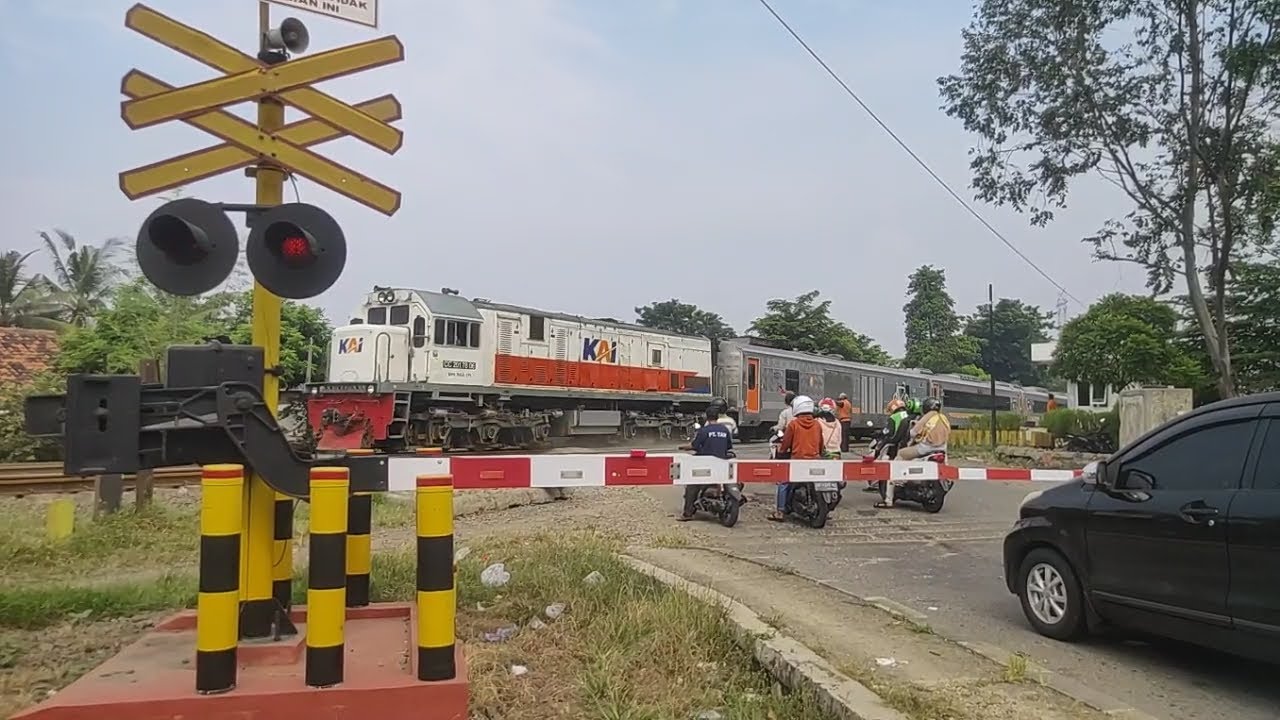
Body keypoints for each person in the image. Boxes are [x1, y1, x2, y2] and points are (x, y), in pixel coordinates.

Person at [769, 395, 824, 521]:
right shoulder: (817, 425)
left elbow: (786, 444)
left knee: (783, 483)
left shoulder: (793, 425)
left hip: (797, 460)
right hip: (815, 460)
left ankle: (780, 511)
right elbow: (821, 444)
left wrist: (782, 451)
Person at [680, 407, 733, 521]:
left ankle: (687, 514)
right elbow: (729, 446)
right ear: (718, 417)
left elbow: (694, 446)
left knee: (692, 486)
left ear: (706, 417)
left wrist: (682, 447)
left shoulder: (703, 431)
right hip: (722, 465)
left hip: (705, 465)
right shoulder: (724, 430)